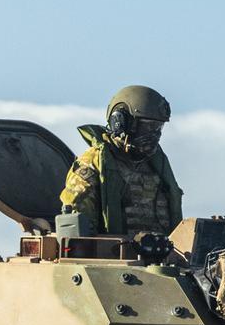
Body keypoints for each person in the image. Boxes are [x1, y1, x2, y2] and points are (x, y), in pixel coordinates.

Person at [57, 85, 183, 239]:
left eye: (158, 128)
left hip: (163, 253)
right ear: (120, 122)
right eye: (147, 126)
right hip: (110, 253)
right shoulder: (92, 164)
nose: (154, 134)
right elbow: (79, 232)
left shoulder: (157, 165)